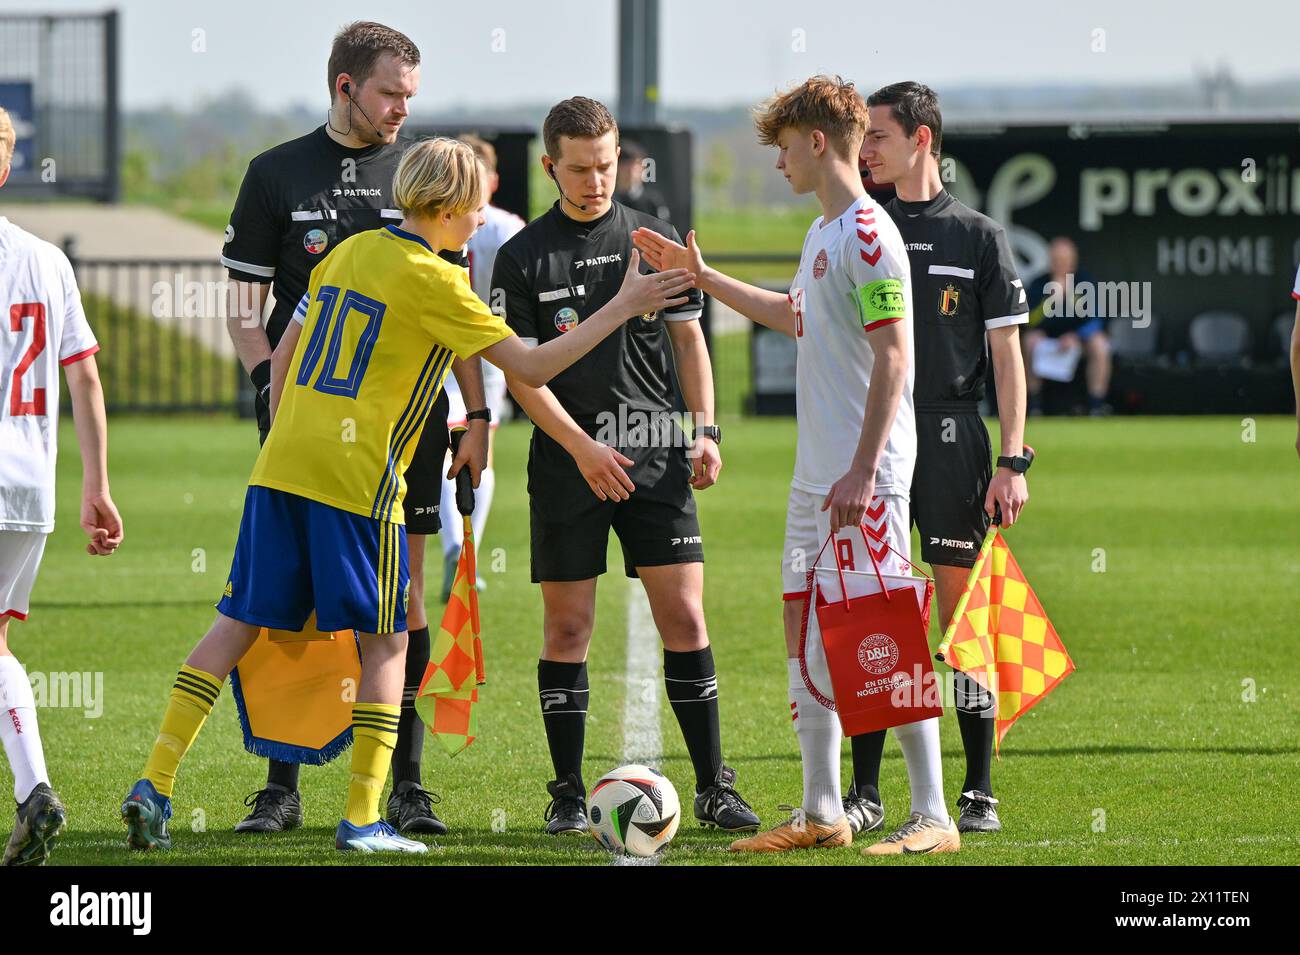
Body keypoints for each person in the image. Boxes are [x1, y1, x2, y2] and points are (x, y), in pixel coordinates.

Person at [119, 137, 696, 855]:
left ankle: (155, 782)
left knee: (234, 625)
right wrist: (623, 303)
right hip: (357, 480)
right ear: (453, 206)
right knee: (389, 641)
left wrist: (300, 420)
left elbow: (286, 352)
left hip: (279, 467)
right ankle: (363, 817)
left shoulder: (349, 251)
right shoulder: (438, 280)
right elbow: (532, 363)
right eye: (477, 207)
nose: (481, 220)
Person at [634, 75, 958, 855]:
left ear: (817, 142)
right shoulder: (823, 234)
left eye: (783, 147)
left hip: (863, 477)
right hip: (819, 476)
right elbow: (795, 317)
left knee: (880, 634)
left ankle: (933, 815)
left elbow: (895, 361)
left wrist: (861, 468)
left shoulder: (871, 235)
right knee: (805, 624)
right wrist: (704, 278)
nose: (778, 163)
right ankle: (821, 809)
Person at [219, 20, 489, 836]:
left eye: (411, 94)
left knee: (399, 604)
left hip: (407, 431)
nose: (404, 108)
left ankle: (404, 786)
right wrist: (272, 388)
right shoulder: (275, 172)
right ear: (345, 87)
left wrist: (476, 414)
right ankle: (280, 786)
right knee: (291, 608)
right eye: (390, 94)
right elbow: (243, 309)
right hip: (305, 430)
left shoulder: (424, 174)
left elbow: (461, 313)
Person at [491, 96, 759, 837]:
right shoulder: (522, 258)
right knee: (568, 627)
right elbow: (523, 377)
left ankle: (713, 785)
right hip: (569, 460)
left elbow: (688, 343)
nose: (595, 181)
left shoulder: (654, 238)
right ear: (551, 166)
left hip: (654, 456)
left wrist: (704, 431)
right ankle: (569, 793)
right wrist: (581, 446)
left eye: (606, 165)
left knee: (684, 614)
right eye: (579, 169)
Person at [856, 80, 1031, 834]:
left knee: (963, 616)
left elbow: (1008, 353)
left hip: (957, 437)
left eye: (878, 136)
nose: (865, 150)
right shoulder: (865, 227)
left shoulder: (977, 236)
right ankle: (865, 792)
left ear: (921, 140)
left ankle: (978, 790)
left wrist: (1013, 460)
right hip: (878, 432)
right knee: (879, 610)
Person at [0, 106, 124, 865]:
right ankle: (31, 791)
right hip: (28, 488)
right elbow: (85, 376)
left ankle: (34, 788)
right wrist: (97, 486)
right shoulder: (46, 259)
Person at [437, 134, 526, 600]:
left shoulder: (437, 223)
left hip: (452, 346)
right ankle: (461, 548)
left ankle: (458, 547)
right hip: (489, 346)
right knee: (475, 445)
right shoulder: (509, 227)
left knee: (452, 446)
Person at [1023, 237, 1112, 416]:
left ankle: (1096, 405)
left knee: (1100, 344)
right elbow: (1029, 320)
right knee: (1029, 341)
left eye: (1065, 261)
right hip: (1046, 338)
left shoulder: (1086, 282)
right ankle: (1033, 404)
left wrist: (1076, 336)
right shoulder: (1038, 283)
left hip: (1078, 339)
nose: (1061, 265)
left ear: (1073, 261)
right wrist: (1051, 299)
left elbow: (1096, 319)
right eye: (1056, 261)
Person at [614, 140, 672, 222]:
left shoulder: (652, 202)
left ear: (643, 168)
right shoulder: (609, 200)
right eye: (625, 165)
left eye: (635, 165)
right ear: (617, 167)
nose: (630, 171)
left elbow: (663, 229)